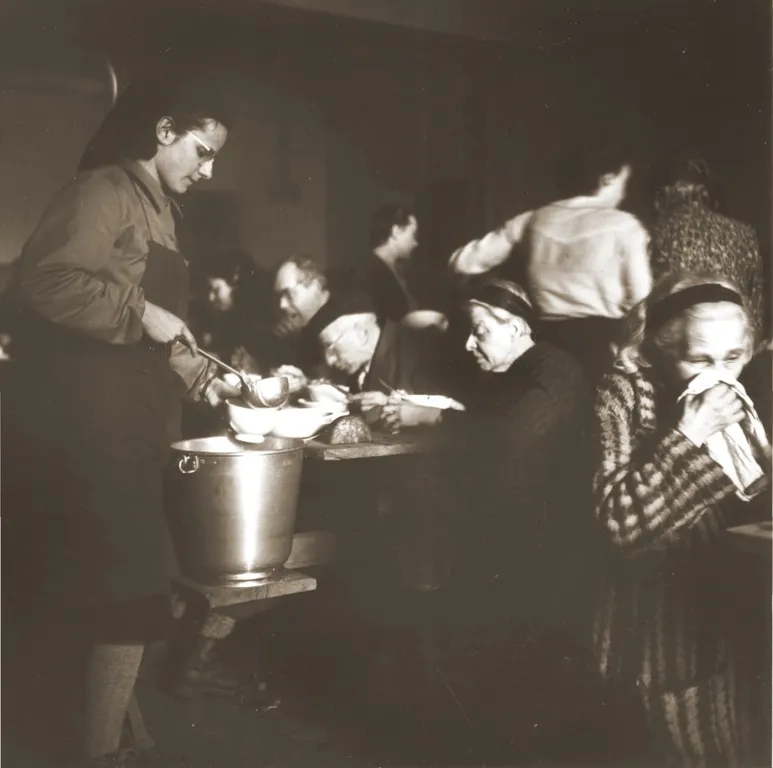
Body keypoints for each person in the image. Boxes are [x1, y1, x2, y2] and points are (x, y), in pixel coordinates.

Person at [10, 67, 240, 766]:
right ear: (163, 132)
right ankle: (97, 748)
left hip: (138, 419)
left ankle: (106, 736)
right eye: (202, 150)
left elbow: (160, 331)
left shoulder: (164, 211)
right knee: (123, 585)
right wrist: (142, 313)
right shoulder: (104, 190)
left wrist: (207, 375)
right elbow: (44, 283)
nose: (208, 169)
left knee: (134, 584)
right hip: (89, 424)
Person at [380, 279, 596, 754]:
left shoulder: (555, 369)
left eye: (479, 332)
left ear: (517, 328)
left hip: (551, 550)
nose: (468, 342)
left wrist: (433, 419)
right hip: (512, 538)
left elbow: (512, 439)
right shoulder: (510, 374)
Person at [592, 273, 771, 765]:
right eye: (699, 359)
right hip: (656, 638)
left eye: (733, 357)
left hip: (729, 620)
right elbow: (620, 526)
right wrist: (690, 431)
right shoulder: (621, 394)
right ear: (659, 349)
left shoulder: (745, 391)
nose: (720, 373)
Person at [450, 136, 652, 384]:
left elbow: (463, 262)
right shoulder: (625, 226)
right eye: (624, 182)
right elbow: (642, 301)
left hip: (544, 347)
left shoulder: (533, 219)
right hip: (602, 351)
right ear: (608, 178)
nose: (623, 193)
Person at [649, 152, 766, 342]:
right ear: (704, 191)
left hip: (676, 346)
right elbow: (755, 306)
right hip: (734, 341)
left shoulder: (652, 234)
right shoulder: (744, 233)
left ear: (662, 193)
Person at [305, 288, 459, 419]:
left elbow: (458, 417)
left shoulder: (419, 348)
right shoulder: (360, 368)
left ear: (361, 333)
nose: (329, 360)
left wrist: (391, 406)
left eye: (330, 347)